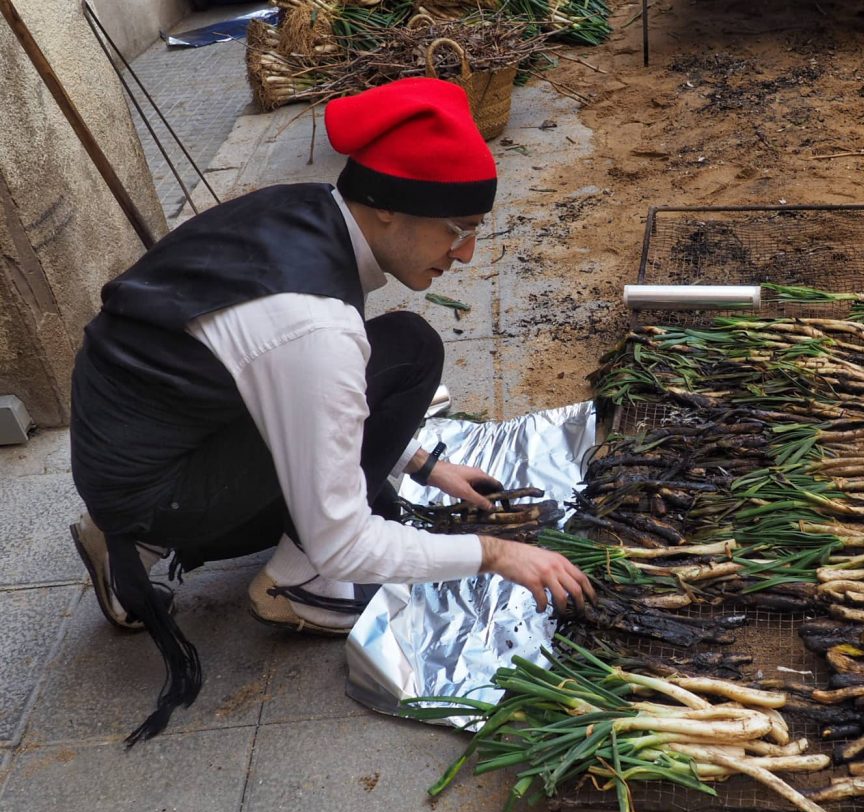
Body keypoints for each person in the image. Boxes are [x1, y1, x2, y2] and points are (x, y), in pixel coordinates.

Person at [68, 78, 594, 745]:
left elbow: (302, 391)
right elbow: (342, 537)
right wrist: (493, 553)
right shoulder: (314, 326)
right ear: (387, 210)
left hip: (134, 442)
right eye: (457, 231)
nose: (466, 254)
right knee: (370, 431)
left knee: (406, 348)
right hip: (150, 483)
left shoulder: (309, 211)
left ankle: (129, 540)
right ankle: (293, 585)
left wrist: (424, 465)